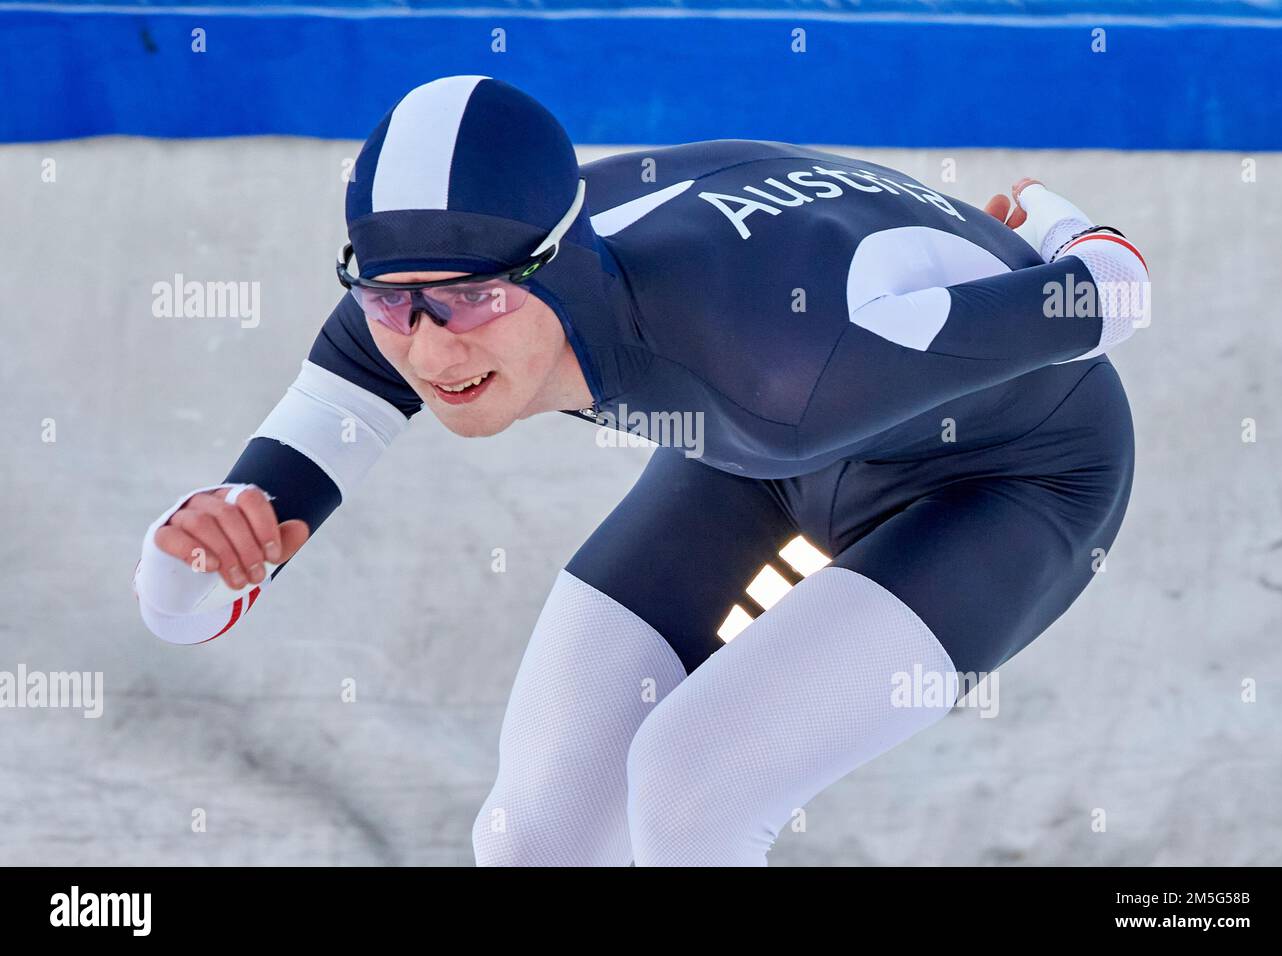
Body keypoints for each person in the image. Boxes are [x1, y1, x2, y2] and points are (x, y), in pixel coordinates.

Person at [133, 75, 1149, 866]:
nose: (434, 351)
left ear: (556, 260)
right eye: (396, 302)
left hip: (1008, 476)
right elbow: (191, 598)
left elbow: (1111, 296)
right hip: (758, 452)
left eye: (475, 298)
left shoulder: (788, 356)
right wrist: (193, 549)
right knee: (538, 837)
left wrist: (1063, 224)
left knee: (691, 781)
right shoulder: (405, 298)